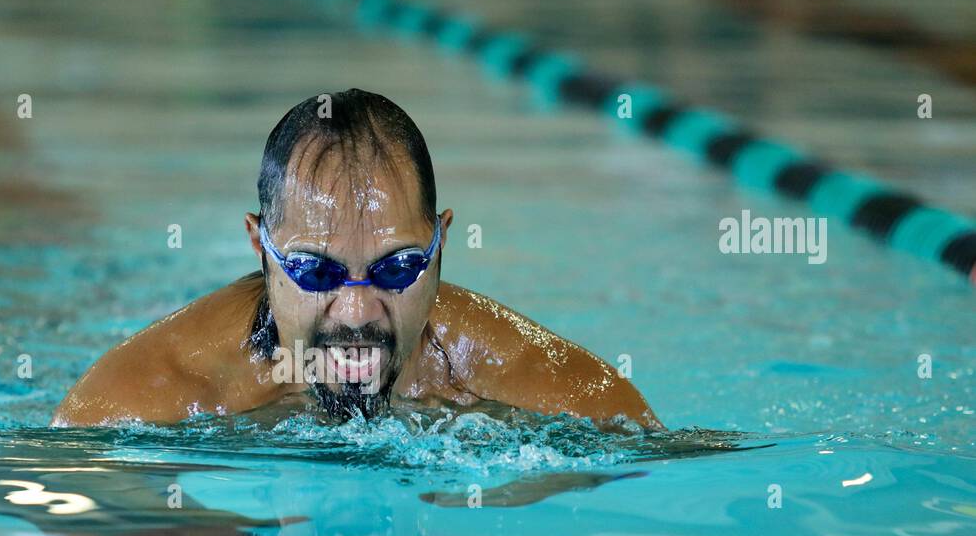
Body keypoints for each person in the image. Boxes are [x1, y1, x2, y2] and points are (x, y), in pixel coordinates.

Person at [54, 89, 661, 429]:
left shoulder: (548, 388)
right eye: (316, 271)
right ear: (258, 249)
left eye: (396, 268)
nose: (356, 312)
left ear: (440, 245)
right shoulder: (146, 399)